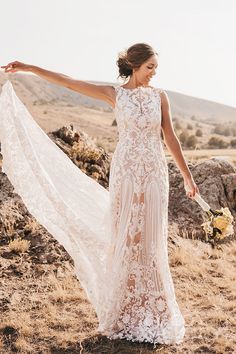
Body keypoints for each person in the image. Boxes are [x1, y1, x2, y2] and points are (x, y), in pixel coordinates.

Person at [0, 42, 199, 345]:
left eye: (156, 68)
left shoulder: (160, 97)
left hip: (155, 174)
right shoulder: (114, 94)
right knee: (127, 237)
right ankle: (126, 311)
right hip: (126, 174)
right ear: (134, 65)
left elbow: (169, 136)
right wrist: (29, 68)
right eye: (150, 67)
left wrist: (187, 176)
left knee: (151, 240)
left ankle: (155, 312)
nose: (154, 73)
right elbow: (68, 81)